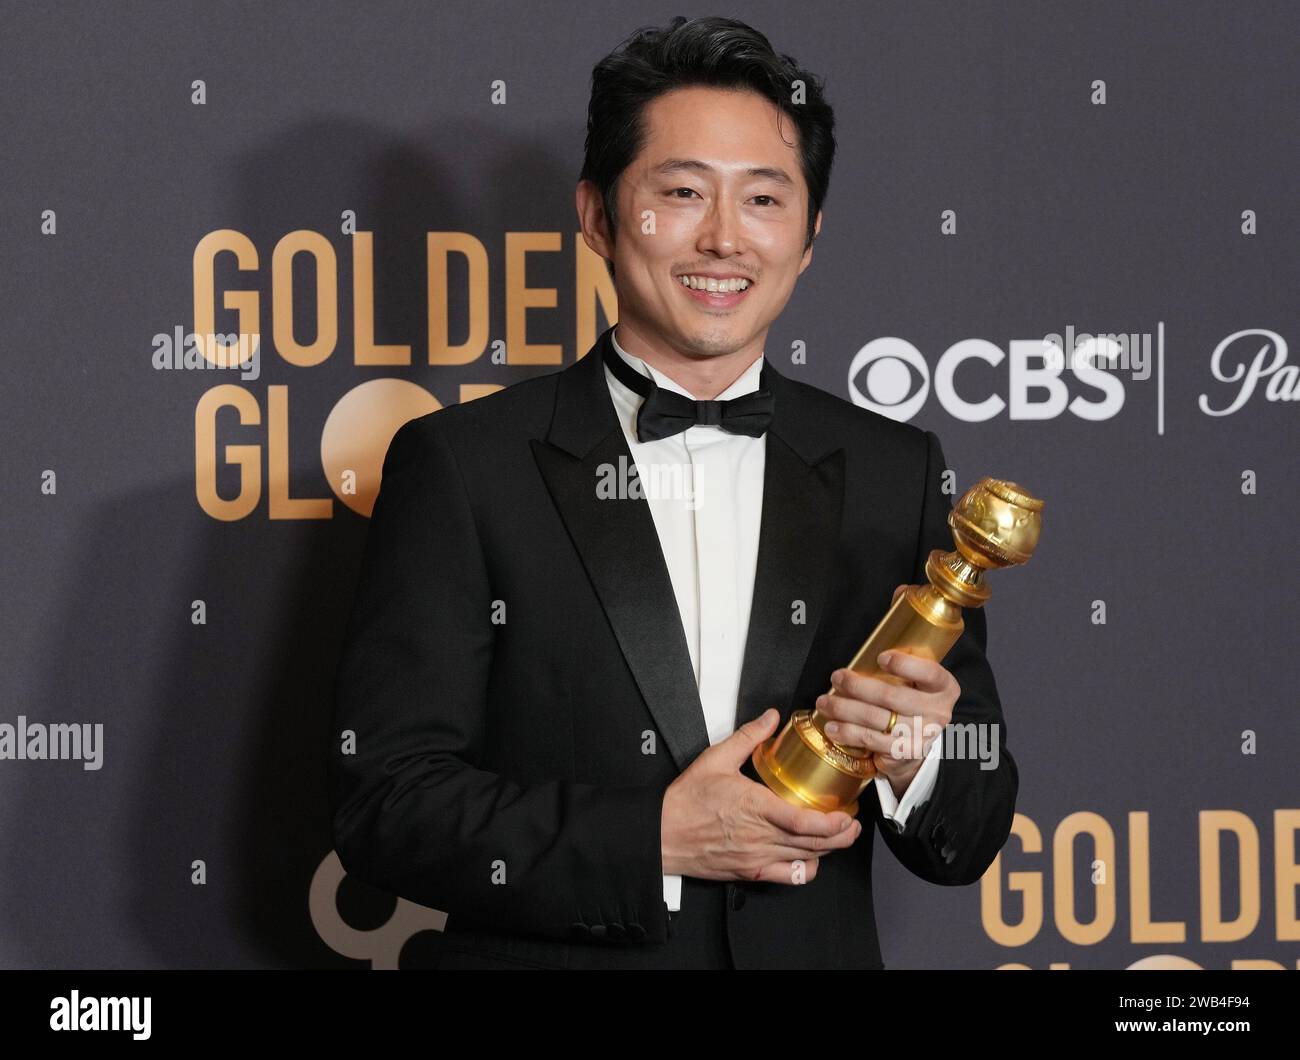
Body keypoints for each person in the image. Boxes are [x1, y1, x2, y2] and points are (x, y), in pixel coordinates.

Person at [329, 15, 1016, 970]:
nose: (725, 238)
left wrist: (916, 760)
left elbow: (970, 832)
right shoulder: (463, 464)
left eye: (765, 199)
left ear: (811, 234)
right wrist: (651, 836)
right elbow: (386, 803)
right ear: (599, 217)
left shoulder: (894, 470)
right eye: (683, 192)